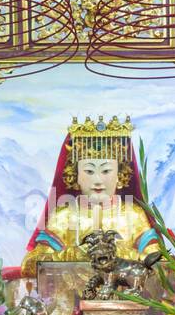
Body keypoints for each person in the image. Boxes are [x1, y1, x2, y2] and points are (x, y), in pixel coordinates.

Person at [21, 115, 160, 276]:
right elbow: (29, 266)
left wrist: (123, 254)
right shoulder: (64, 216)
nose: (98, 180)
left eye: (106, 171)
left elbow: (161, 265)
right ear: (75, 176)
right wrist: (71, 255)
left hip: (125, 298)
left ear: (120, 176)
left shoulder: (133, 215)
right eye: (89, 171)